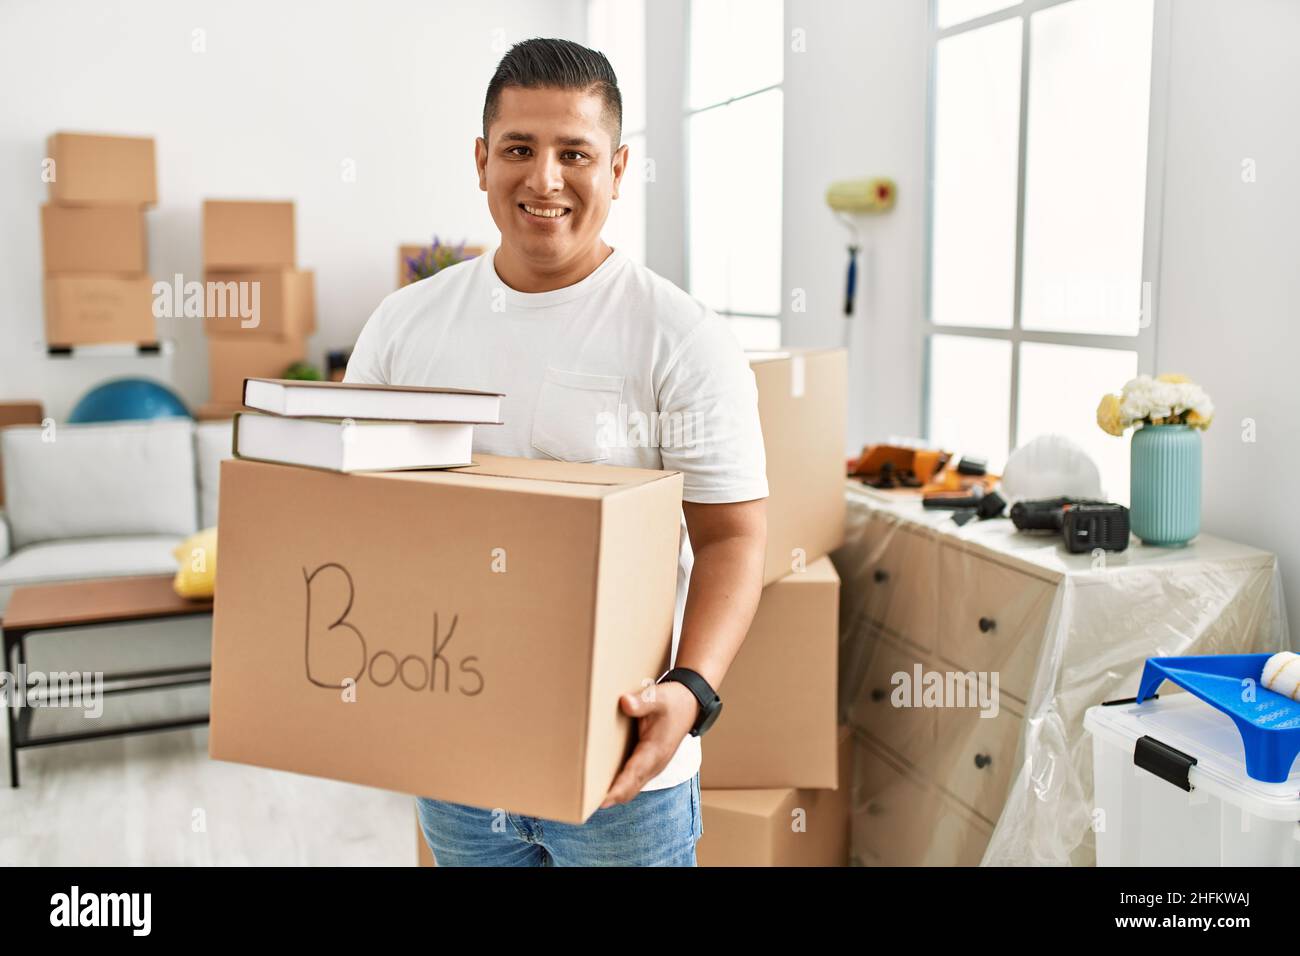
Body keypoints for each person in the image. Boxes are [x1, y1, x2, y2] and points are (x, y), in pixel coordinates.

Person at [346, 37, 768, 866]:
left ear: (617, 168)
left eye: (574, 152)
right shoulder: (403, 327)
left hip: (624, 782)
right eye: (519, 149)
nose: (544, 179)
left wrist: (692, 690)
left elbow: (733, 538)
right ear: (481, 160)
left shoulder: (681, 338)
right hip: (458, 763)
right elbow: (358, 518)